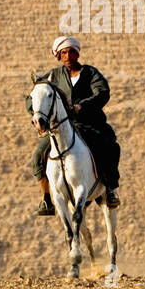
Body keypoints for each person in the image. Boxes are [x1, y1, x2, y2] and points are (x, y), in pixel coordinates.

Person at [29, 35, 120, 215]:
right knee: (38, 154)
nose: (68, 56)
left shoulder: (91, 73)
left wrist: (82, 106)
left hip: (89, 124)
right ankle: (46, 199)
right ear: (58, 56)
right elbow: (33, 97)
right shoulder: (52, 76)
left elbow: (102, 93)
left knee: (109, 147)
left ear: (77, 54)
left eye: (71, 52)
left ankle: (110, 189)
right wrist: (37, 115)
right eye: (63, 53)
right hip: (62, 128)